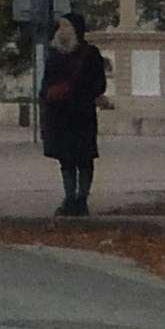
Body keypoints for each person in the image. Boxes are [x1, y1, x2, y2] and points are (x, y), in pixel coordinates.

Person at [36, 12, 109, 219]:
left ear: (77, 30)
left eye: (67, 26)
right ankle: (69, 198)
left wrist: (79, 93)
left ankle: (81, 199)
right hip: (59, 116)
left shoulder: (90, 53)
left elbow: (99, 84)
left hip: (82, 115)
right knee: (66, 160)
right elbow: (46, 82)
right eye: (61, 26)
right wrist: (48, 97)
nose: (63, 30)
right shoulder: (55, 54)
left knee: (84, 159)